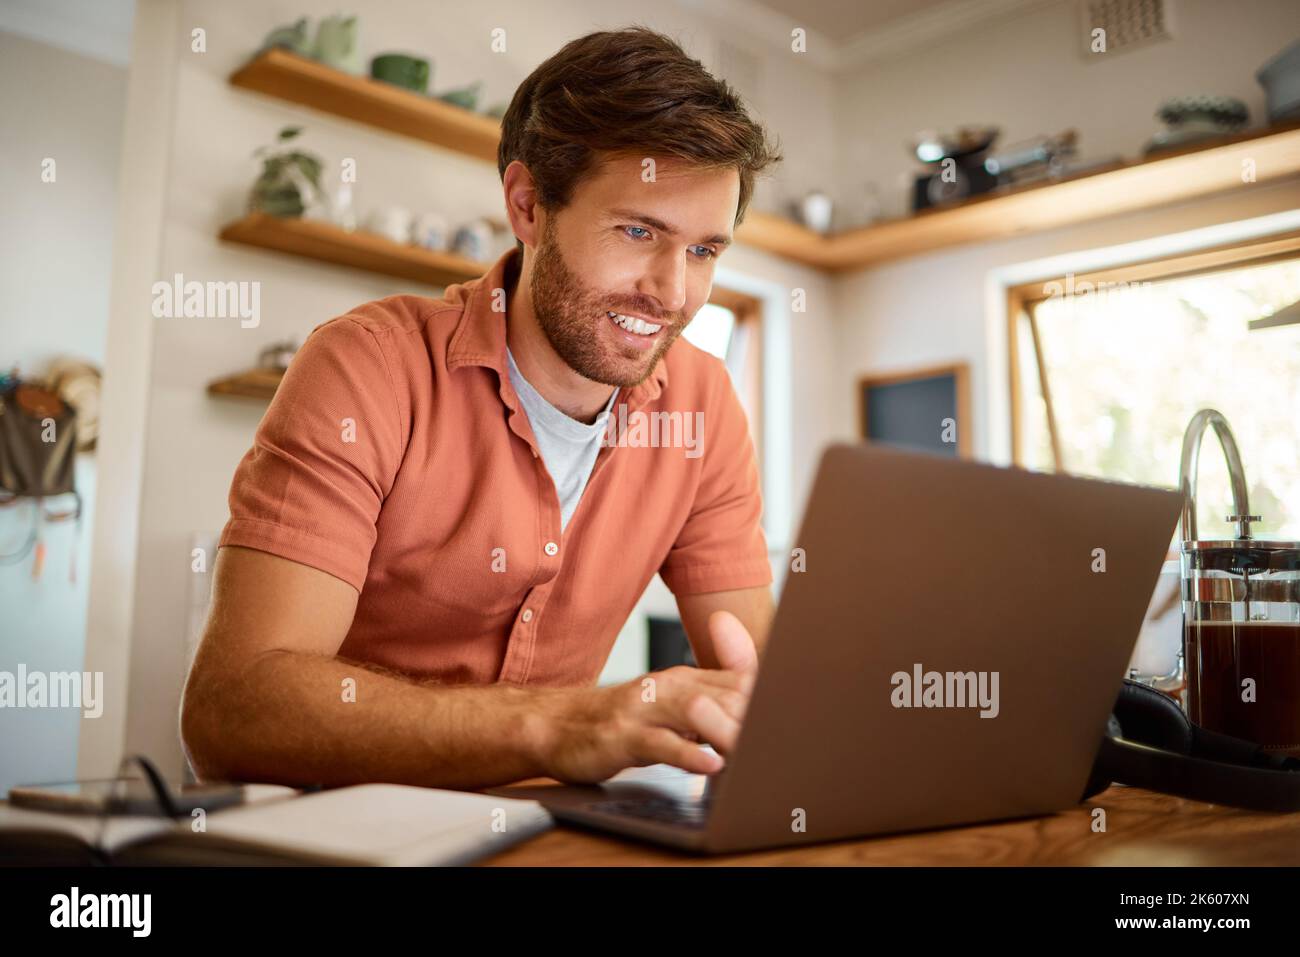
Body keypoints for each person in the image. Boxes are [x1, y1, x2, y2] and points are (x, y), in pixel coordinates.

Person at [181, 26, 783, 791]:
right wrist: (562, 725)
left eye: (704, 252)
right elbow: (231, 710)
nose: (672, 293)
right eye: (639, 231)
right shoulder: (367, 366)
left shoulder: (705, 406)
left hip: (546, 840)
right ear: (528, 205)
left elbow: (762, 692)